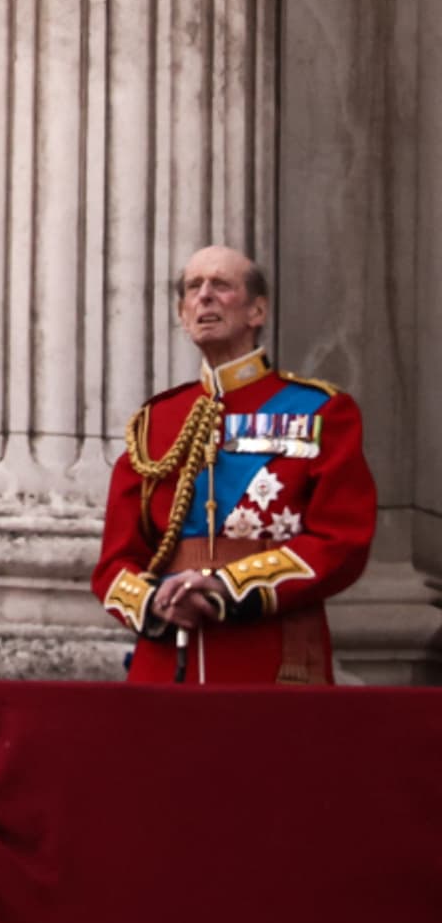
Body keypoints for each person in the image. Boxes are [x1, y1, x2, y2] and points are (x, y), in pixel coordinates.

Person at [95, 246, 374, 685]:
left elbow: (342, 539)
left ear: (256, 310)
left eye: (221, 285)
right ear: (183, 313)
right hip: (169, 657)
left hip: (271, 651)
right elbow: (114, 562)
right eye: (193, 287)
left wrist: (230, 586)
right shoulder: (156, 422)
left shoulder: (320, 410)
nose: (204, 296)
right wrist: (155, 602)